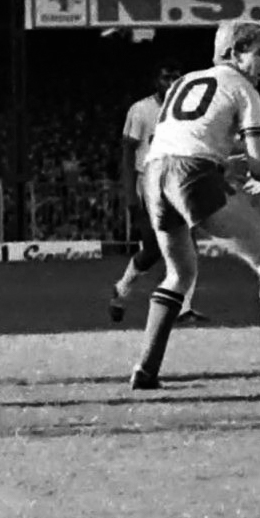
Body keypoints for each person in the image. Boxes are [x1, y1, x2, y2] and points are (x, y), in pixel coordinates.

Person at [128, 19, 260, 391]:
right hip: (191, 173)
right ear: (232, 53)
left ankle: (145, 369)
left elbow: (180, 139)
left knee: (180, 273)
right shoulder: (243, 89)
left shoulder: (184, 82)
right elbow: (258, 163)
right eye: (259, 52)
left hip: (153, 175)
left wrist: (221, 166)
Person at [108, 62, 208, 324]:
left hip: (178, 181)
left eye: (176, 76)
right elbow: (128, 151)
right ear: (157, 81)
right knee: (153, 248)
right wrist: (130, 193)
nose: (172, 81)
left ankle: (184, 308)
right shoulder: (141, 110)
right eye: (166, 77)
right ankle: (122, 287)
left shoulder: (190, 109)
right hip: (148, 183)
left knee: (188, 245)